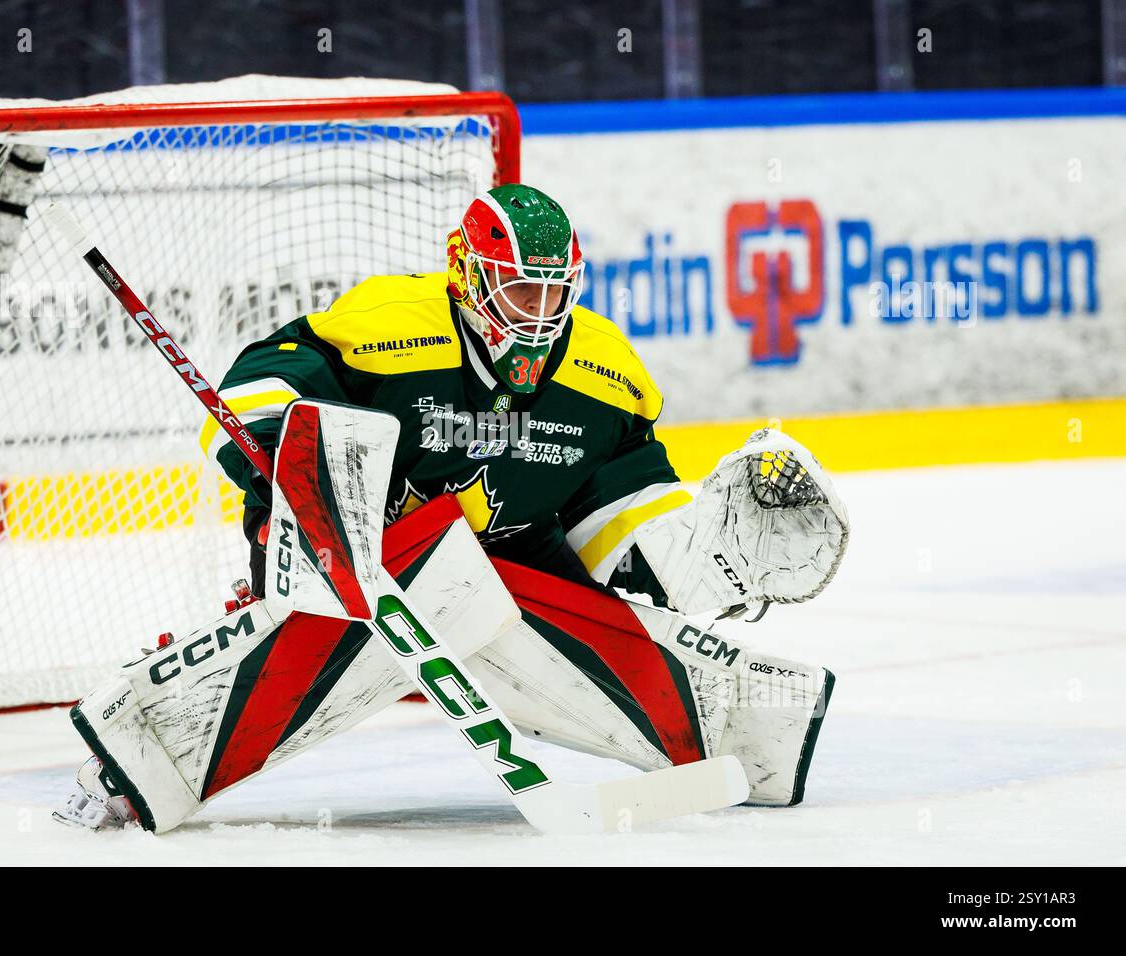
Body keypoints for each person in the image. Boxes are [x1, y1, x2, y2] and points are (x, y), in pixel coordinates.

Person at [55, 184, 849, 833]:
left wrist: (698, 557)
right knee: (431, 566)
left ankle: (740, 734)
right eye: (517, 289)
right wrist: (280, 446)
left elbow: (616, 509)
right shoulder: (390, 327)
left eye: (554, 291)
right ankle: (141, 749)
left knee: (499, 588)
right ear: (468, 277)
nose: (538, 315)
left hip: (500, 581)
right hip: (347, 557)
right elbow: (269, 377)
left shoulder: (605, 372)